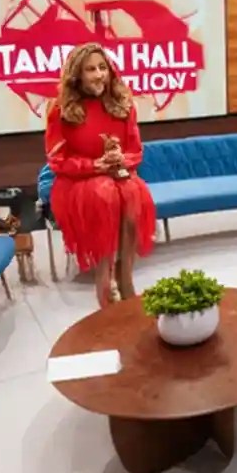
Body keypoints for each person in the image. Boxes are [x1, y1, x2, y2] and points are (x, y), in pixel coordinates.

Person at [45, 44, 157, 308]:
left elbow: (135, 151)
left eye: (103, 68)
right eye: (91, 69)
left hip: (116, 173)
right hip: (78, 182)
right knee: (104, 194)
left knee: (132, 192)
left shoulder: (123, 103)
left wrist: (122, 159)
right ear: (77, 75)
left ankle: (125, 276)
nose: (99, 75)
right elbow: (57, 160)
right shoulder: (60, 109)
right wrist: (95, 165)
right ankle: (104, 282)